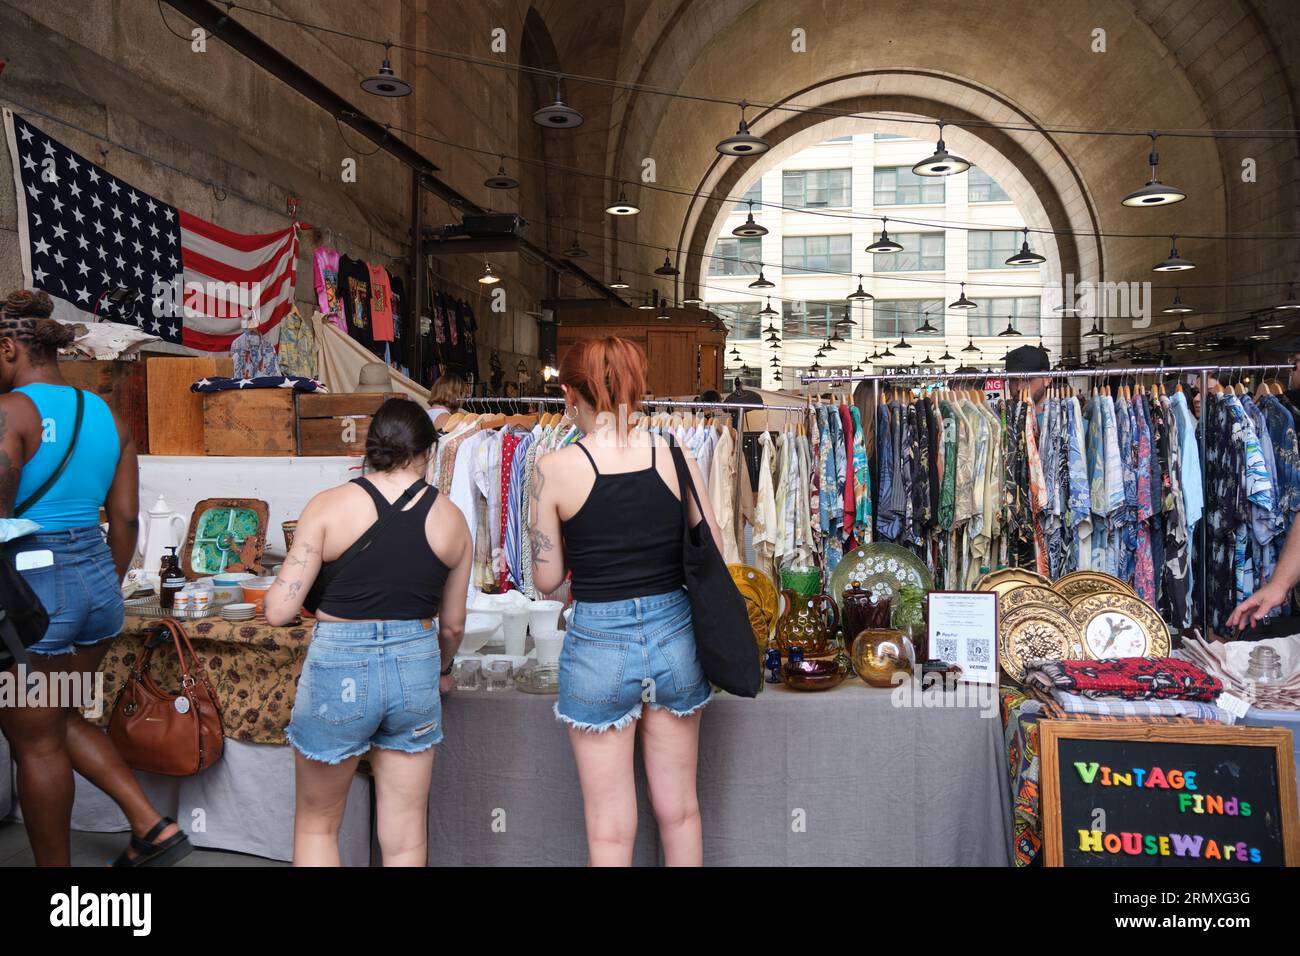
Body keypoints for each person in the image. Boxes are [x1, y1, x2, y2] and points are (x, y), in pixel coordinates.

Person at [0, 289, 191, 867]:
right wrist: (102, 581)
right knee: (56, 716)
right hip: (98, 588)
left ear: (8, 348)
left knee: (35, 742)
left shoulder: (10, 413)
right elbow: (126, 519)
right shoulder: (106, 414)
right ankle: (151, 825)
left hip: (36, 591)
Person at [530, 336, 719, 866]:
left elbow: (546, 579)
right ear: (635, 387)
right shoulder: (676, 454)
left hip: (598, 643)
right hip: (675, 636)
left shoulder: (553, 467)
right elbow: (714, 549)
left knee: (610, 831)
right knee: (679, 812)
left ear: (570, 394)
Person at [265, 397, 472, 866]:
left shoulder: (327, 506)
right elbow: (453, 625)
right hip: (415, 667)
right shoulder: (452, 519)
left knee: (318, 824)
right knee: (406, 838)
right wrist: (442, 670)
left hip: (339, 665)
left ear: (370, 446)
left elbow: (279, 610)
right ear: (428, 451)